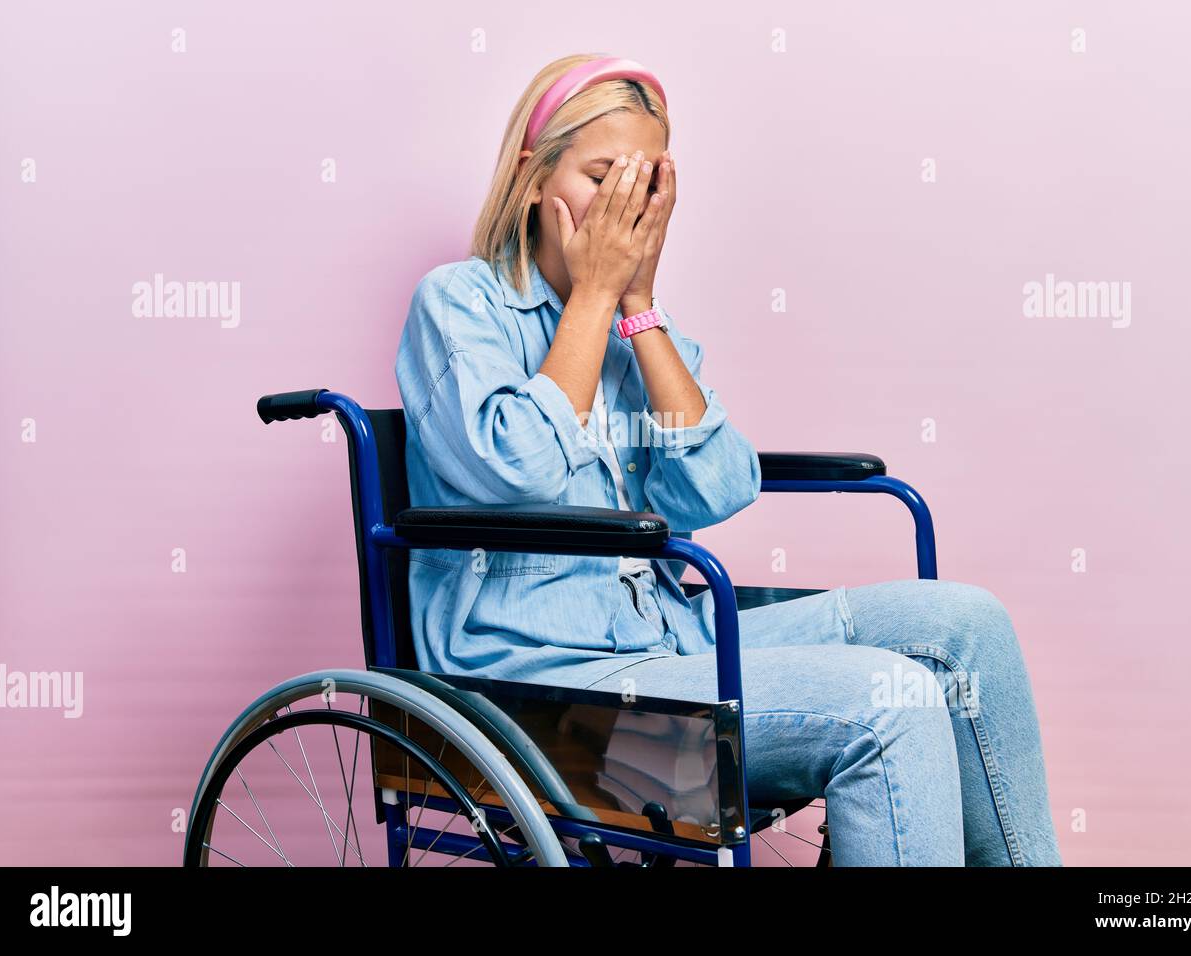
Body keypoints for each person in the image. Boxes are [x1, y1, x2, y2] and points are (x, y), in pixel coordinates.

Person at [394, 52, 1061, 866]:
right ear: (533, 178)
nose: (617, 208)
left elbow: (718, 486)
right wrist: (597, 295)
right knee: (891, 705)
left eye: (640, 186)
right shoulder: (459, 302)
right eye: (600, 175)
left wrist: (635, 310)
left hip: (672, 643)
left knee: (967, 627)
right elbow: (520, 467)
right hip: (538, 684)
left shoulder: (632, 334)